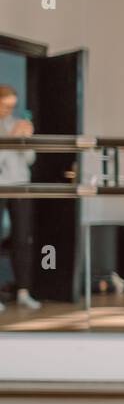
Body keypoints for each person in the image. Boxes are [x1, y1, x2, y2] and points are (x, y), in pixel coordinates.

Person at [0, 84, 41, 312]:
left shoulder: (18, 123)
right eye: (5, 106)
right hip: (0, 187)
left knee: (23, 239)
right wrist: (10, 139)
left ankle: (24, 291)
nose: (9, 110)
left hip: (20, 187)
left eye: (12, 106)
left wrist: (27, 139)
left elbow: (29, 159)